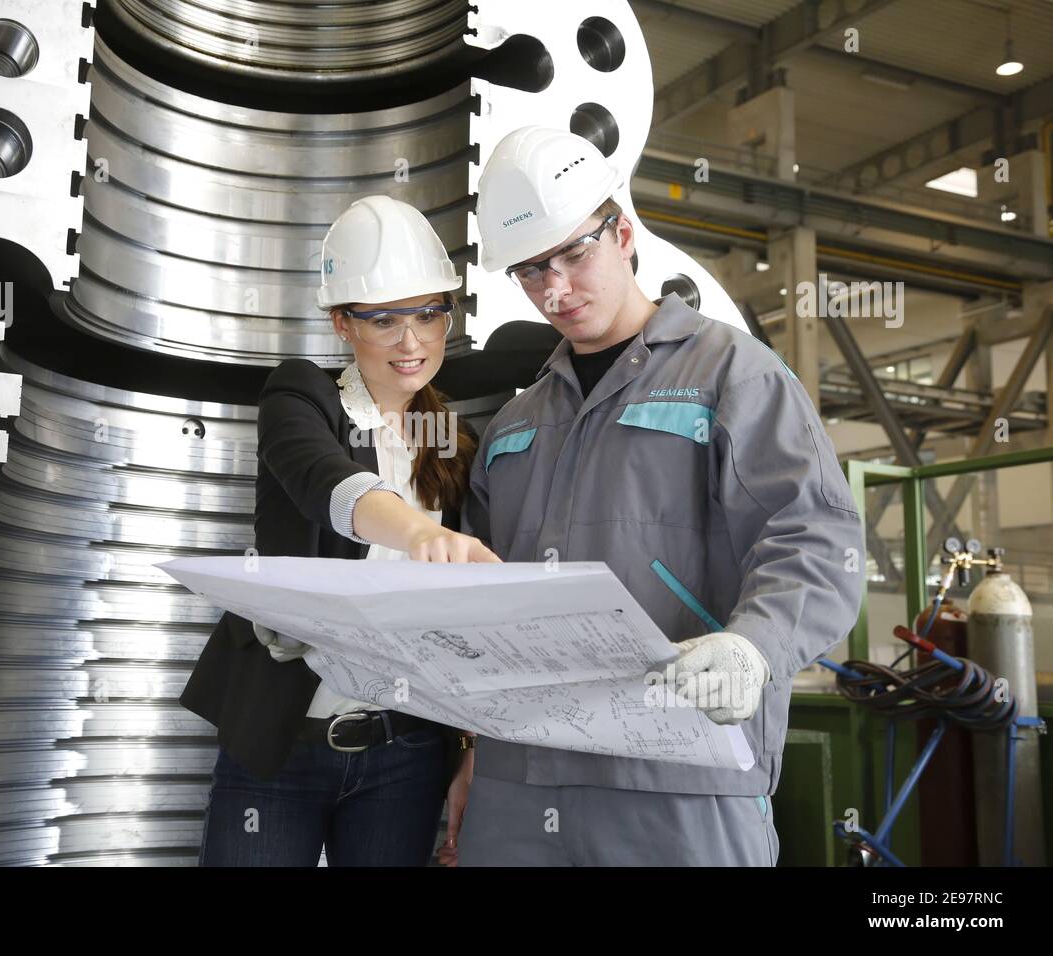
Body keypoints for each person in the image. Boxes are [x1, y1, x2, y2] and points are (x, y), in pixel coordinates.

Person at [456, 126, 865, 866]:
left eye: (573, 254)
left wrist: (754, 647)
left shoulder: (735, 376)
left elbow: (814, 538)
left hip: (681, 777)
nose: (554, 289)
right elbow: (471, 589)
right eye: (529, 270)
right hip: (518, 784)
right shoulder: (515, 424)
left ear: (623, 231)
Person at [180, 195, 495, 867]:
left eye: (428, 312)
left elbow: (465, 624)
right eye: (383, 319)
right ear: (343, 323)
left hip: (405, 754)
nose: (412, 341)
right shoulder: (302, 395)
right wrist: (417, 533)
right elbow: (325, 481)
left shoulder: (455, 441)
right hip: (281, 746)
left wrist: (469, 750)